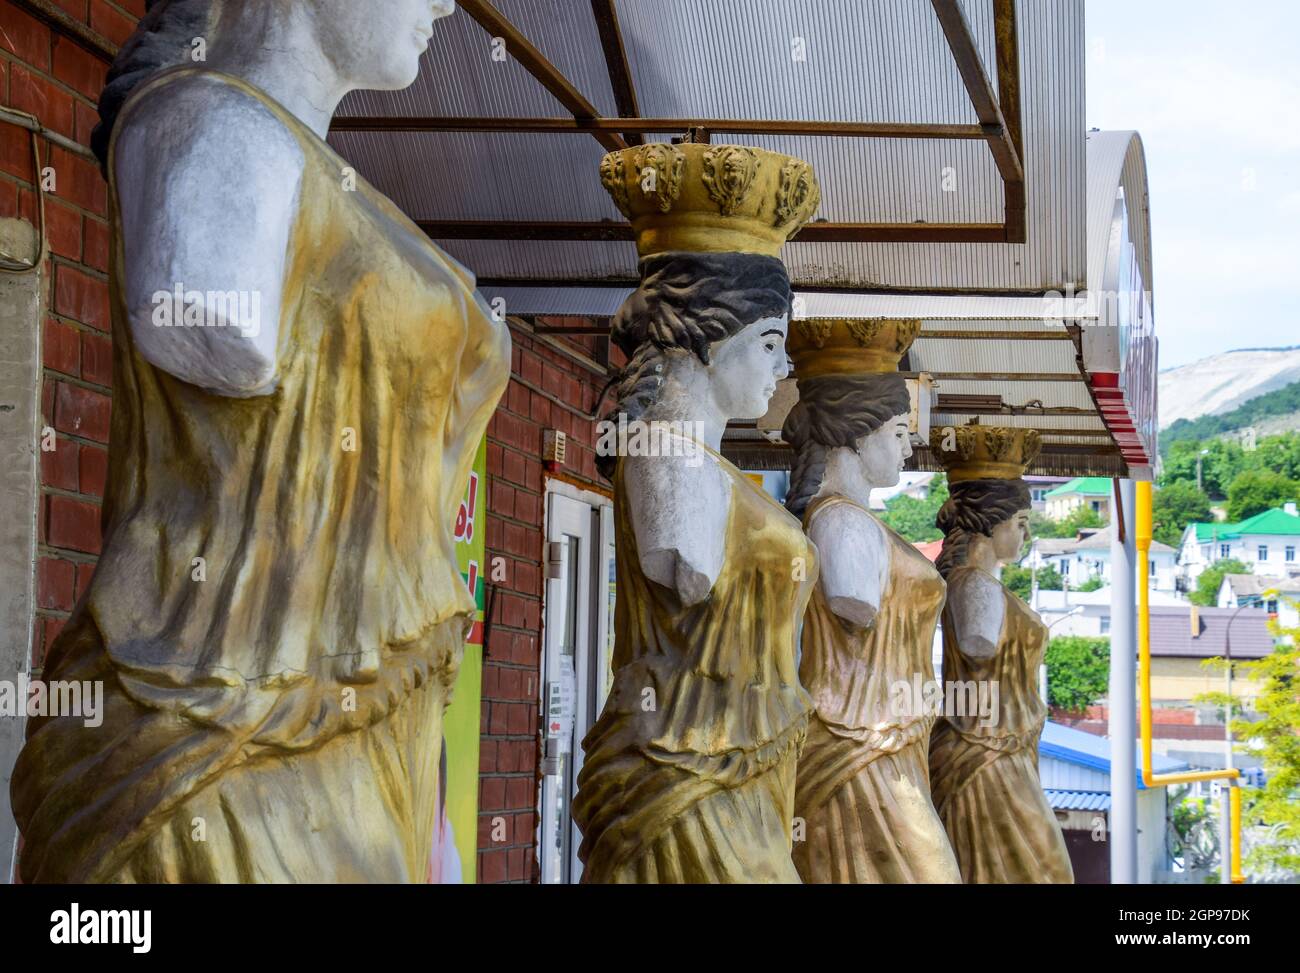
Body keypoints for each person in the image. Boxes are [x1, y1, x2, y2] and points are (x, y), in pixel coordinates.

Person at [12, 0, 510, 883]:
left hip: (359, 736)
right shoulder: (213, 129)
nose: (444, 5)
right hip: (220, 749)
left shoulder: (313, 168)